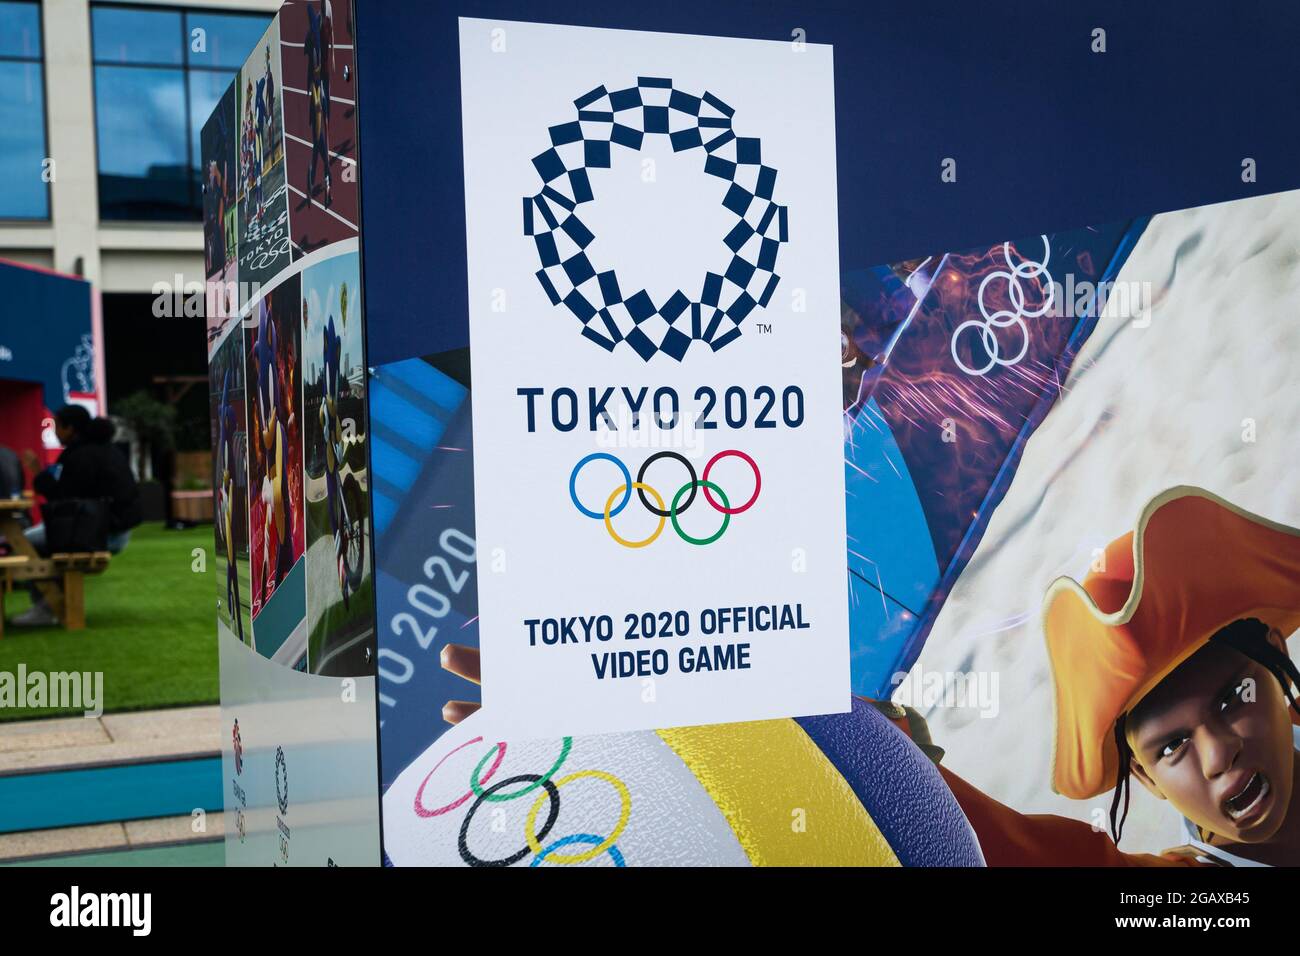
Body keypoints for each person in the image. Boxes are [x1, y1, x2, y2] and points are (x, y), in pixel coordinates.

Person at [11, 406, 142, 626]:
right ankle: (52, 603)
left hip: (100, 532)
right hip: (113, 529)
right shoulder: (102, 449)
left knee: (22, 542)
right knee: (32, 539)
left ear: (70, 428)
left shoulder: (81, 455)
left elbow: (65, 501)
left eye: (56, 426)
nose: (54, 432)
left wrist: (38, 475)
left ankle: (46, 606)